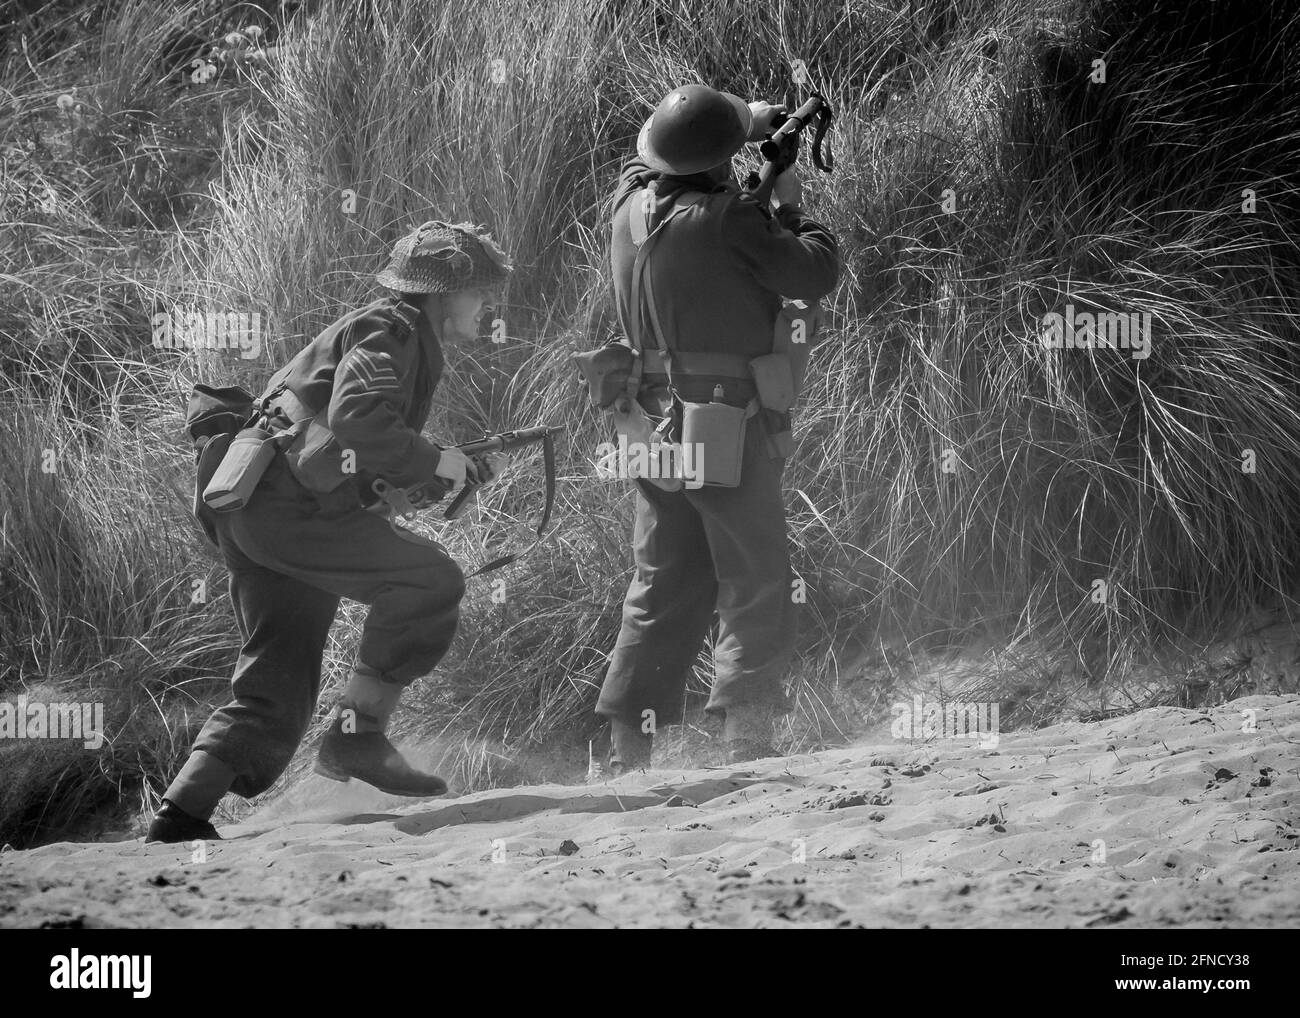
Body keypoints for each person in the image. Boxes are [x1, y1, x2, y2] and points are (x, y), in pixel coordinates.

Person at [147, 221, 511, 844]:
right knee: (429, 580)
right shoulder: (390, 331)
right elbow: (358, 418)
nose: (486, 307)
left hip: (259, 516)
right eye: (478, 293)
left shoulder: (395, 331)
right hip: (290, 516)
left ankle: (180, 814)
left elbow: (349, 449)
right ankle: (357, 738)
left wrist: (442, 467)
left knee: (275, 680)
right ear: (442, 295)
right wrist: (433, 461)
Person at [592, 84, 841, 774]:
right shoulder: (734, 220)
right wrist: (787, 199)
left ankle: (627, 746)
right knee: (755, 575)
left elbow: (654, 170)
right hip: (724, 425)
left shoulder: (625, 205)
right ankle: (747, 734)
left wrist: (743, 130)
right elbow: (814, 272)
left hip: (648, 426)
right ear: (718, 161)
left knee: (661, 580)